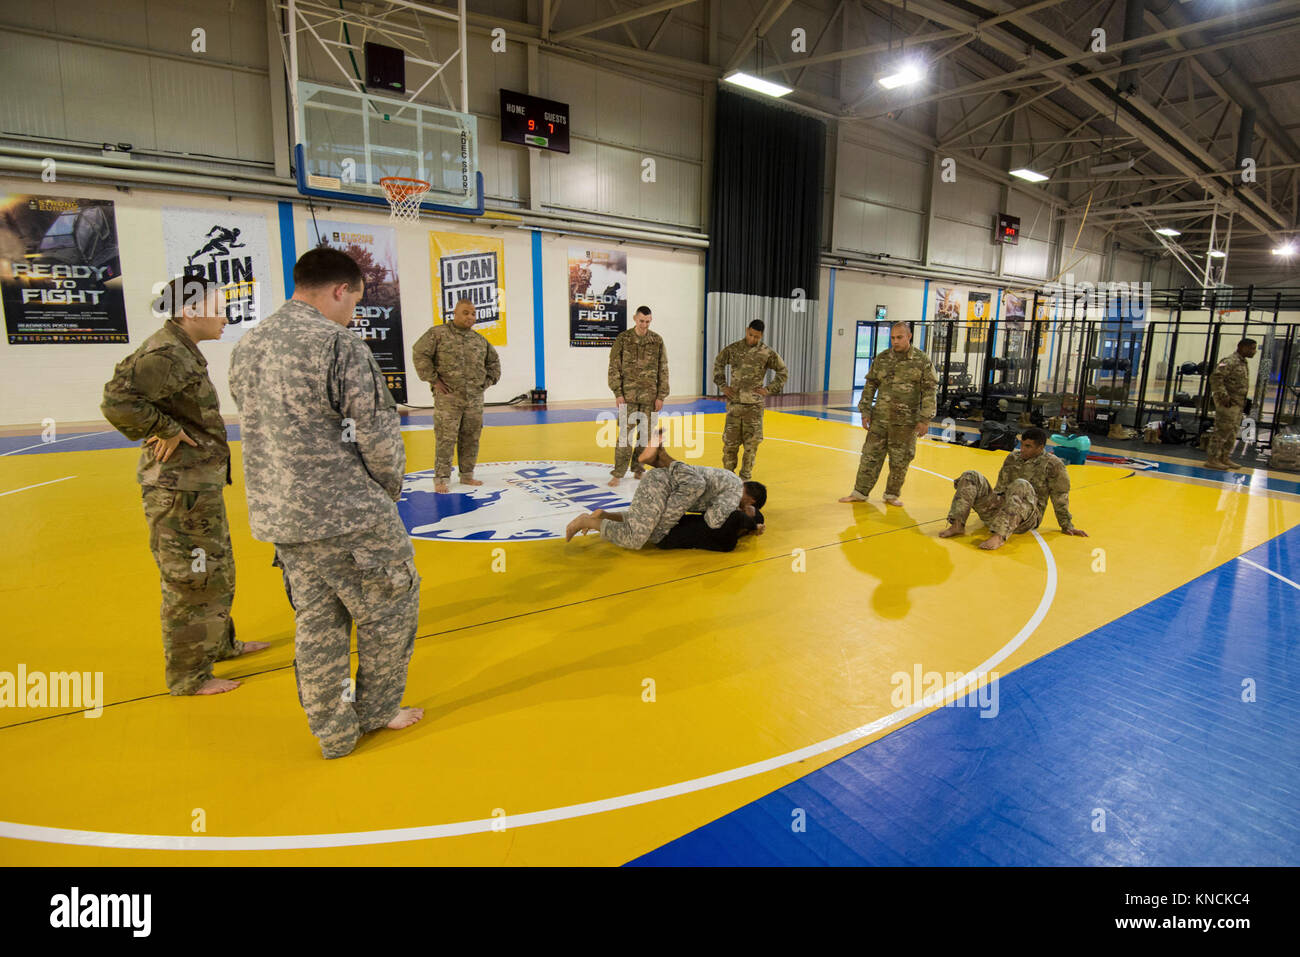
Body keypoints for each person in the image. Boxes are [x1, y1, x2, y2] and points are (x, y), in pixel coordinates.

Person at [230, 247, 422, 759]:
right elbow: (378, 436)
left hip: (283, 519)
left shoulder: (249, 345)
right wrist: (386, 489)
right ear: (340, 291)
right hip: (348, 515)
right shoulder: (339, 346)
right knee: (389, 615)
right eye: (354, 302)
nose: (354, 313)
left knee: (318, 622)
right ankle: (377, 712)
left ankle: (333, 732)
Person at [101, 276, 269, 696]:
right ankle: (189, 676)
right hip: (177, 490)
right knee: (191, 579)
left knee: (214, 570)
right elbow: (116, 401)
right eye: (219, 305)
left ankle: (220, 644)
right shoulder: (164, 352)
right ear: (191, 310)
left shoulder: (182, 350)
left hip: (197, 485)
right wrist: (164, 428)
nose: (226, 315)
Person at [566, 433, 765, 549]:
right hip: (662, 486)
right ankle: (589, 521)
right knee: (638, 538)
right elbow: (713, 521)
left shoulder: (729, 479)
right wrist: (744, 518)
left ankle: (606, 515)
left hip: (662, 483)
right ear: (752, 502)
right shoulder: (734, 492)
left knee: (648, 521)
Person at [938, 426, 1089, 550]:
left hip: (1027, 517)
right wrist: (973, 492)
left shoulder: (1053, 465)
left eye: (1028, 446)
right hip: (1002, 510)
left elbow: (1060, 496)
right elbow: (1000, 487)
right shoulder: (1013, 457)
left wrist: (1066, 525)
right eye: (1021, 444)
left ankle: (999, 536)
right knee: (971, 475)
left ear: (1040, 447)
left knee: (1021, 484)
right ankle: (957, 524)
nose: (1022, 449)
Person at [839, 322, 937, 506]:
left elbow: (930, 390)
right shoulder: (882, 358)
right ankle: (859, 492)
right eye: (892, 337)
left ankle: (892, 495)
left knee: (900, 460)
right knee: (870, 455)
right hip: (880, 420)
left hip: (906, 423)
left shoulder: (922, 361)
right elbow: (870, 385)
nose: (895, 341)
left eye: (899, 337)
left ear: (909, 337)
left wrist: (925, 419)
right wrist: (865, 411)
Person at [411, 297, 501, 494]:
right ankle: (441, 478)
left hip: (474, 401)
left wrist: (485, 383)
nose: (470, 317)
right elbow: (419, 353)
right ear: (455, 314)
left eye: (473, 314)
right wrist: (433, 379)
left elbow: (494, 363)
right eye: (465, 313)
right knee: (446, 438)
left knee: (471, 437)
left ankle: (467, 475)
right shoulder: (438, 334)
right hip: (448, 399)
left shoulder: (479, 341)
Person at [712, 319, 789, 480]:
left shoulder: (767, 353)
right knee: (730, 445)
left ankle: (745, 479)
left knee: (751, 446)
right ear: (747, 330)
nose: (752, 339)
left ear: (761, 336)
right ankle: (728, 478)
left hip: (754, 408)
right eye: (751, 335)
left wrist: (768, 389)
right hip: (735, 407)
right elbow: (718, 363)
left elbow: (783, 372)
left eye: (757, 337)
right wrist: (723, 386)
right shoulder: (733, 349)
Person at [607, 305, 669, 486]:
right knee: (625, 437)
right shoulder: (623, 339)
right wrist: (617, 393)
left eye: (648, 322)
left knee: (645, 436)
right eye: (641, 321)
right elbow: (613, 367)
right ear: (635, 318)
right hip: (628, 396)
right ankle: (618, 473)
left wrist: (661, 396)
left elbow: (663, 369)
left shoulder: (657, 340)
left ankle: (638, 468)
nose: (644, 325)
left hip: (650, 398)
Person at [1206, 338, 1256, 470]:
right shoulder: (1228, 361)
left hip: (1238, 404)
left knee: (1232, 432)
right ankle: (1213, 459)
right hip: (1228, 403)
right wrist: (1223, 396)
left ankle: (1224, 457)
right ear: (1241, 347)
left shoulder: (1243, 362)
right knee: (1222, 431)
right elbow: (1215, 377)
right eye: (1251, 348)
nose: (1254, 351)